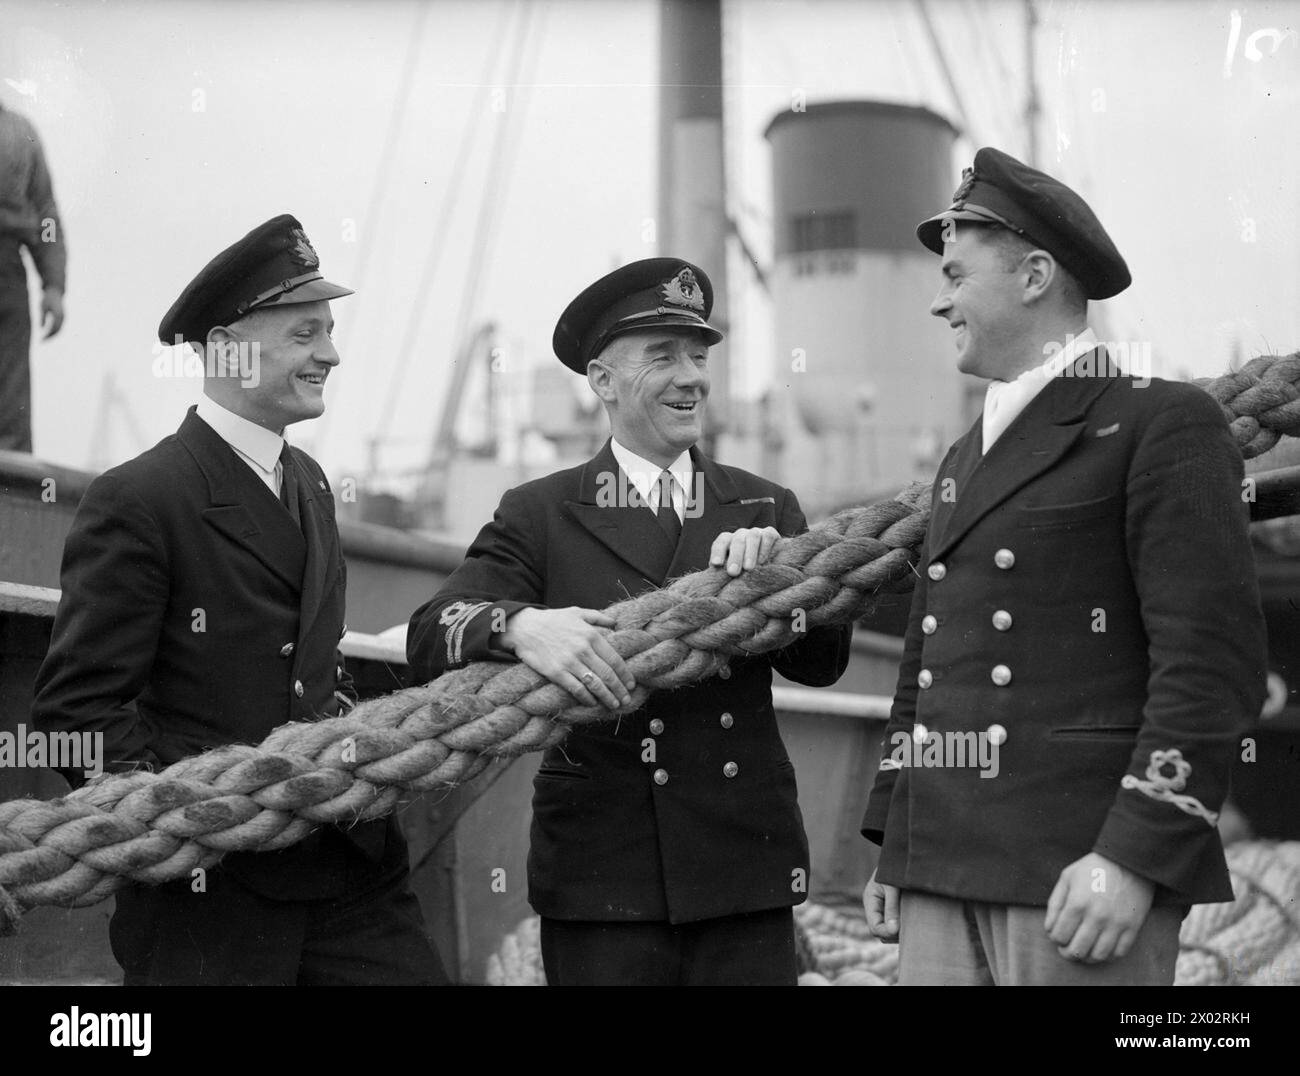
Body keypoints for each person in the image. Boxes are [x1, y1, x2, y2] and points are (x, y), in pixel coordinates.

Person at [860, 147, 1268, 985]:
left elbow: (1211, 665)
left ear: (1036, 274)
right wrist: (896, 845)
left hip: (1079, 875)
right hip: (942, 870)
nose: (939, 302)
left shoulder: (1163, 423)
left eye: (956, 276)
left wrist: (1135, 857)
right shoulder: (960, 458)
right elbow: (927, 671)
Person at [407, 258, 852, 985]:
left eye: (699, 357)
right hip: (602, 883)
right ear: (603, 381)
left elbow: (823, 664)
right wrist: (521, 627)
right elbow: (435, 630)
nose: (692, 377)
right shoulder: (541, 511)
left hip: (741, 875)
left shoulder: (764, 506)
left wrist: (781, 584)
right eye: (663, 356)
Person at [32, 214, 445, 986]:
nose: (330, 353)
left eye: (329, 330)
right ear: (226, 348)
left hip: (346, 868)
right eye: (304, 334)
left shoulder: (312, 486)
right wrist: (198, 824)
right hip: (214, 898)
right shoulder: (144, 498)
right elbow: (77, 716)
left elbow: (315, 673)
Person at [0, 101, 66, 452]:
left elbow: (46, 215)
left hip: (7, 271)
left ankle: (9, 501)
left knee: (10, 407)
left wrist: (53, 285)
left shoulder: (18, 131)